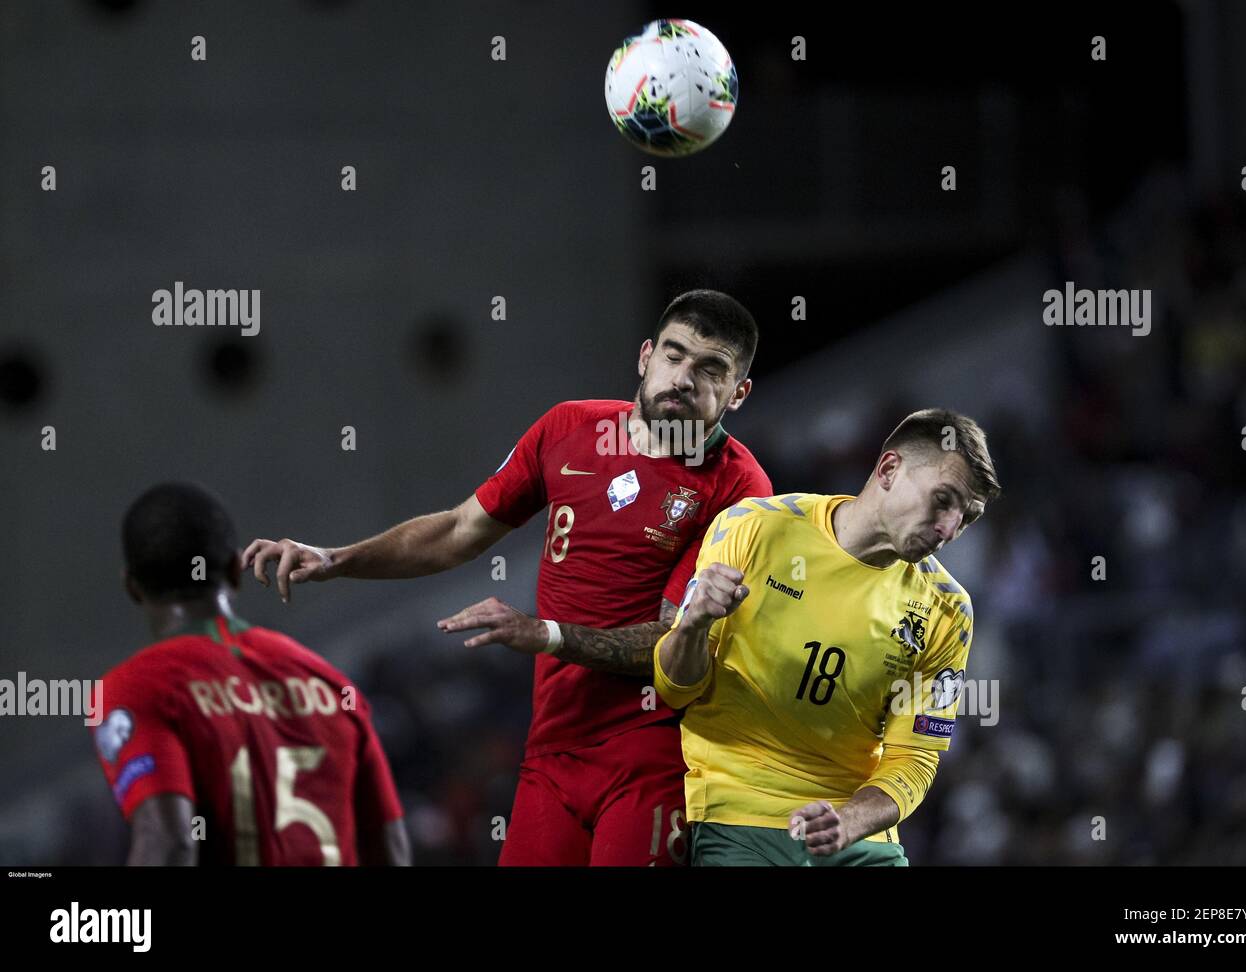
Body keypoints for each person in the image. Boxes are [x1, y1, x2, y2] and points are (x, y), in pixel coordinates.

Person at [243, 290, 772, 865]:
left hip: (656, 752)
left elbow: (675, 645)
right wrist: (334, 558)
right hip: (552, 747)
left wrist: (544, 634)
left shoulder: (742, 490)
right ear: (645, 357)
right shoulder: (569, 427)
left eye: (710, 369)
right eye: (674, 355)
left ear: (738, 393)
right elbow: (456, 531)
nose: (684, 378)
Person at [654, 409, 999, 865]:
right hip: (739, 815)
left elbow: (914, 759)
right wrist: (694, 625)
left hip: (855, 836)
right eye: (943, 500)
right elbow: (675, 689)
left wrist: (848, 821)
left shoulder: (947, 609)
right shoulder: (756, 528)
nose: (949, 529)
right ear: (889, 469)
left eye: (966, 518)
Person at [94, 482, 410, 865]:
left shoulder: (138, 687)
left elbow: (169, 843)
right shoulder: (331, 683)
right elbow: (390, 850)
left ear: (132, 586)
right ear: (234, 568)